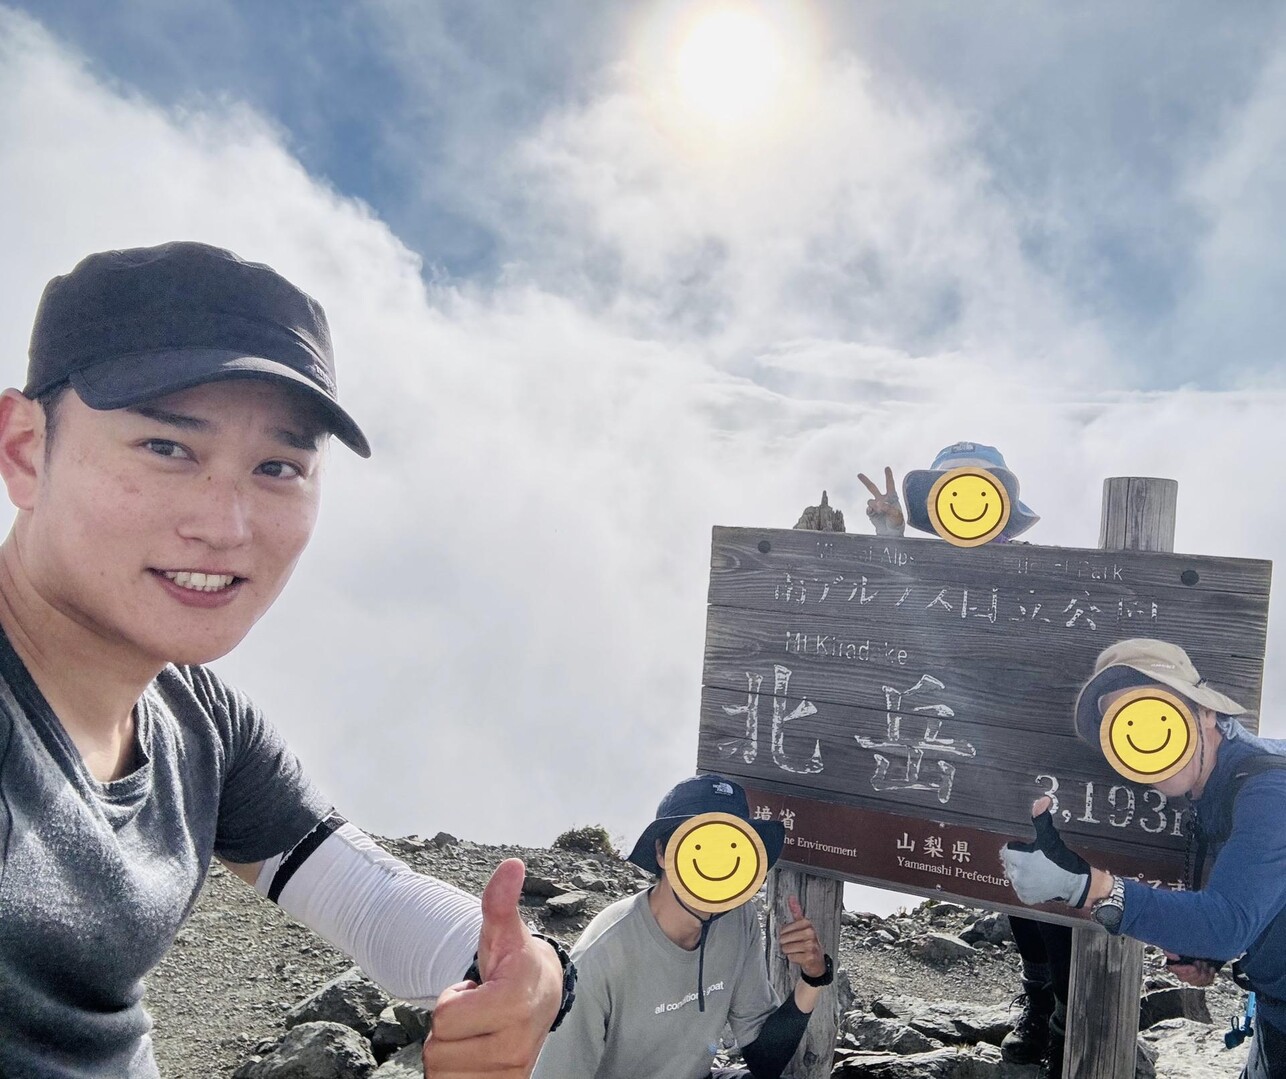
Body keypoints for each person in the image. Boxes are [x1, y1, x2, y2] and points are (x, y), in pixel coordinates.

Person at [0, 242, 574, 1078]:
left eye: (278, 466)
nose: (226, 524)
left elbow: (369, 899)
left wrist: (530, 971)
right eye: (167, 447)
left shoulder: (193, 717)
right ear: (24, 449)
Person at [1001, 638, 1286, 1079]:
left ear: (1206, 712)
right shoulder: (1224, 784)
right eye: (1122, 727)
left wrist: (1087, 885)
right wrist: (1209, 954)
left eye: (1156, 715)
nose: (1144, 740)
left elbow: (1227, 923)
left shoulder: (1270, 791)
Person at [866, 442, 1062, 1069]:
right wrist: (890, 537)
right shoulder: (935, 573)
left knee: (1058, 883)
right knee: (1018, 888)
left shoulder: (1041, 574)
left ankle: (1073, 1008)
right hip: (977, 763)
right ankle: (1043, 1001)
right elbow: (896, 611)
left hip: (1046, 760)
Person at [531, 773, 832, 1079]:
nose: (718, 863)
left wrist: (813, 975)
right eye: (703, 846)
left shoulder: (737, 919)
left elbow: (764, 1059)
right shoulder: (603, 954)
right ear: (662, 851)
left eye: (730, 848)